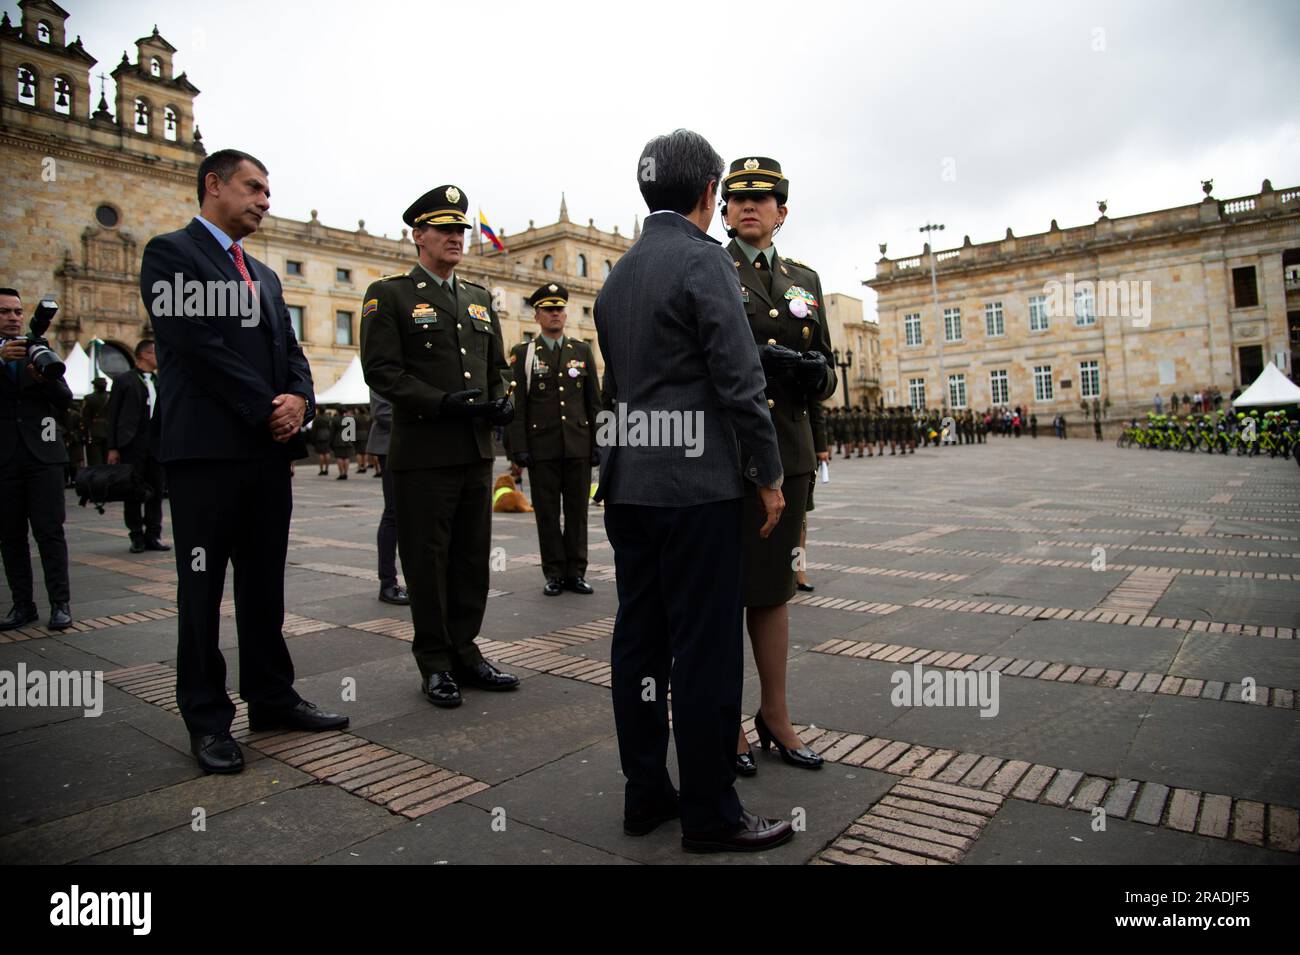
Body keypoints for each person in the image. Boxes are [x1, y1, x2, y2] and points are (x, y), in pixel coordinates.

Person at [595, 129, 793, 853]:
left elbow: (620, 385)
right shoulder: (703, 262)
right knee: (705, 650)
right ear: (709, 191)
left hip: (631, 484)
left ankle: (645, 792)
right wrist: (767, 474)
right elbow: (741, 381)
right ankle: (711, 810)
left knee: (639, 644)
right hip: (697, 486)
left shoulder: (619, 275)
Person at [139, 148, 348, 775]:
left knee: (265, 584)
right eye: (253, 188)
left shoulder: (264, 273)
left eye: (267, 190)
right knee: (201, 592)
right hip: (206, 452)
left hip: (264, 454)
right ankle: (206, 717)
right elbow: (196, 345)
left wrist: (301, 400)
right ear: (214, 186)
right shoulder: (172, 253)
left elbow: (291, 349)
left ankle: (271, 696)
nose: (264, 200)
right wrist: (267, 405)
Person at [360, 183, 519, 709]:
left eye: (460, 230)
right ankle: (434, 660)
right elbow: (381, 372)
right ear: (418, 235)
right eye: (445, 229)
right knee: (426, 560)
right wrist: (441, 402)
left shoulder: (477, 298)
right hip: (424, 451)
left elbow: (496, 365)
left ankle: (465, 650)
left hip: (474, 452)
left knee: (472, 559)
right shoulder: (391, 294)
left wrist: (501, 402)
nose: (456, 238)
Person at [720, 154, 836, 777]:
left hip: (787, 451)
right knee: (722, 593)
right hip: (727, 452)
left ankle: (776, 715)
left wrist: (818, 376)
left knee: (774, 591)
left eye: (762, 198)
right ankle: (727, 721)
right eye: (737, 197)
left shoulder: (805, 280)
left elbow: (826, 368)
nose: (748, 206)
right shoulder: (710, 266)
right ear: (724, 209)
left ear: (781, 211)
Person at [506, 283, 602, 597]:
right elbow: (517, 403)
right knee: (547, 513)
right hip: (542, 446)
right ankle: (554, 573)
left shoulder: (582, 350)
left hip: (577, 444)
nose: (555, 315)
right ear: (536, 316)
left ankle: (576, 572)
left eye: (559, 309)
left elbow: (594, 402)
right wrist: (518, 446)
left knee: (577, 512)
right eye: (548, 310)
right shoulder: (524, 354)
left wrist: (599, 442)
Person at [0, 287, 73, 631]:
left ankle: (60, 604)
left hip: (44, 456)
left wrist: (43, 379)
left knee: (50, 532)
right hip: (4, 457)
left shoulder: (39, 350)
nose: (13, 317)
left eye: (16, 311)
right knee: (10, 535)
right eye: (4, 312)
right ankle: (22, 605)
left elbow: (65, 400)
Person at [106, 339, 169, 554]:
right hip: (132, 443)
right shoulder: (124, 380)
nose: (157, 357)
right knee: (132, 490)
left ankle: (154, 534)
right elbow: (113, 415)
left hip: (157, 443)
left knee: (156, 490)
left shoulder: (161, 381)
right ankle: (136, 535)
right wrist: (113, 447)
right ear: (143, 355)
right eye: (154, 353)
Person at [365, 389, 408, 605]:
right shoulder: (384, 362)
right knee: (393, 513)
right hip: (391, 446)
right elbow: (382, 412)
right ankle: (387, 583)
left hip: (414, 446)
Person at [81, 376, 110, 466]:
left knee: (95, 461)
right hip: (109, 431)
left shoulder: (89, 398)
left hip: (93, 432)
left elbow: (85, 417)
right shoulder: (111, 397)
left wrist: (84, 433)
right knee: (107, 461)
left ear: (95, 386)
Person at [329, 405, 353, 479]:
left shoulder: (335, 419)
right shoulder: (349, 419)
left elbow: (332, 432)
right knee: (346, 457)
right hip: (347, 439)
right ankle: (346, 473)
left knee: (339, 457)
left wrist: (330, 442)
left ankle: (341, 473)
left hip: (338, 439)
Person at [310, 406, 332, 474]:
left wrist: (312, 440)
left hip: (319, 436)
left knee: (321, 454)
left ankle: (321, 469)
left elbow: (314, 430)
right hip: (327, 435)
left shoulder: (317, 418)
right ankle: (327, 469)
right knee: (327, 453)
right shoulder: (328, 418)